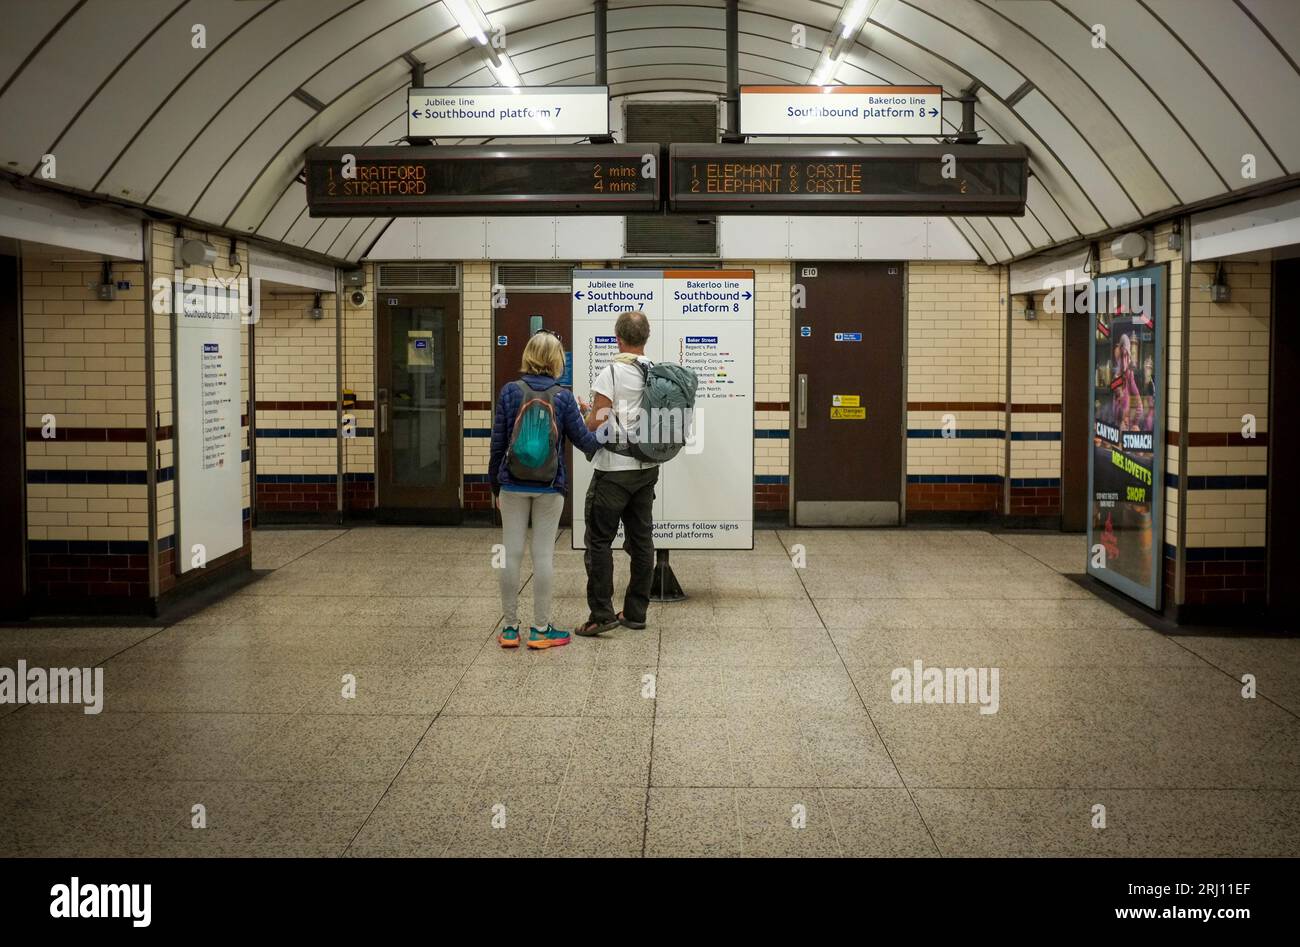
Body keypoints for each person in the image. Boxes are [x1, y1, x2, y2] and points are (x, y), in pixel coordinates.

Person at [489, 330, 600, 650]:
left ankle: (510, 629)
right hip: (550, 486)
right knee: (543, 556)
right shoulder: (563, 397)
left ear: (527, 355)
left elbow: (497, 444)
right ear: (557, 360)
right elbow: (586, 443)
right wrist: (588, 416)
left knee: (510, 555)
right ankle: (540, 630)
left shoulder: (510, 391)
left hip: (511, 483)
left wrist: (496, 485)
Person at [575, 310, 660, 637]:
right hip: (647, 468)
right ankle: (636, 612)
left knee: (599, 541)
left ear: (618, 337)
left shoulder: (613, 371)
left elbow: (597, 421)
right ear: (646, 337)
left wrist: (585, 413)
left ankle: (601, 614)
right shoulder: (654, 370)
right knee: (641, 541)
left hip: (613, 471)